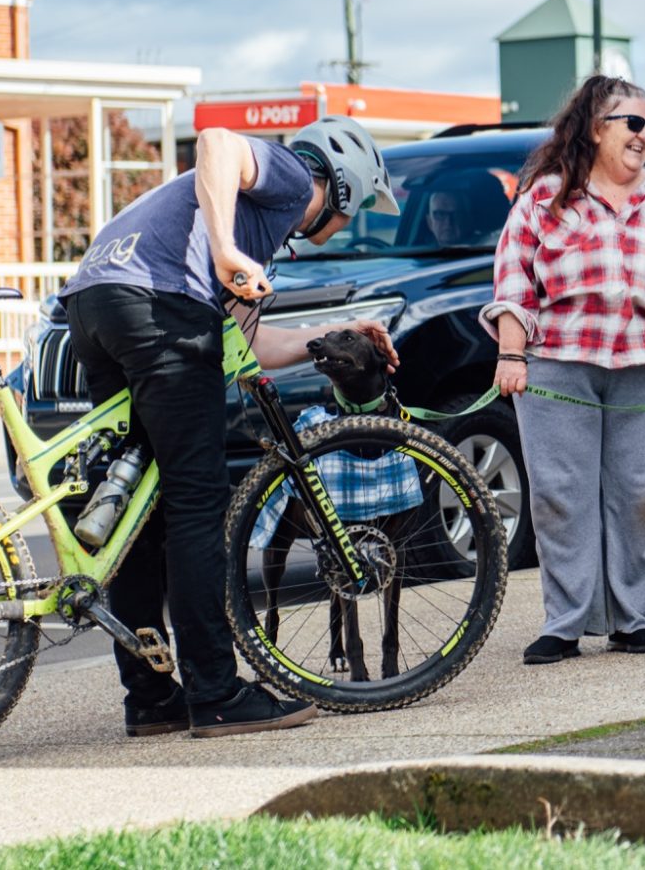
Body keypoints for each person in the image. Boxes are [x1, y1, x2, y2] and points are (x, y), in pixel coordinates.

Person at [56, 114, 400, 737]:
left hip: (98, 304)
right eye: (359, 207)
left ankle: (151, 695)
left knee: (144, 509)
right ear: (342, 185)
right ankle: (214, 692)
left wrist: (327, 338)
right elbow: (216, 141)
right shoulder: (293, 181)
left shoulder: (251, 226)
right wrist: (224, 249)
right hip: (159, 303)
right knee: (197, 501)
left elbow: (246, 344)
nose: (352, 223)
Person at [482, 75, 645, 665]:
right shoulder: (545, 196)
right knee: (560, 496)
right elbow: (514, 280)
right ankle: (563, 623)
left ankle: (632, 618)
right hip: (558, 368)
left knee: (639, 494)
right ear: (596, 129)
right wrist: (511, 355)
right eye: (634, 124)